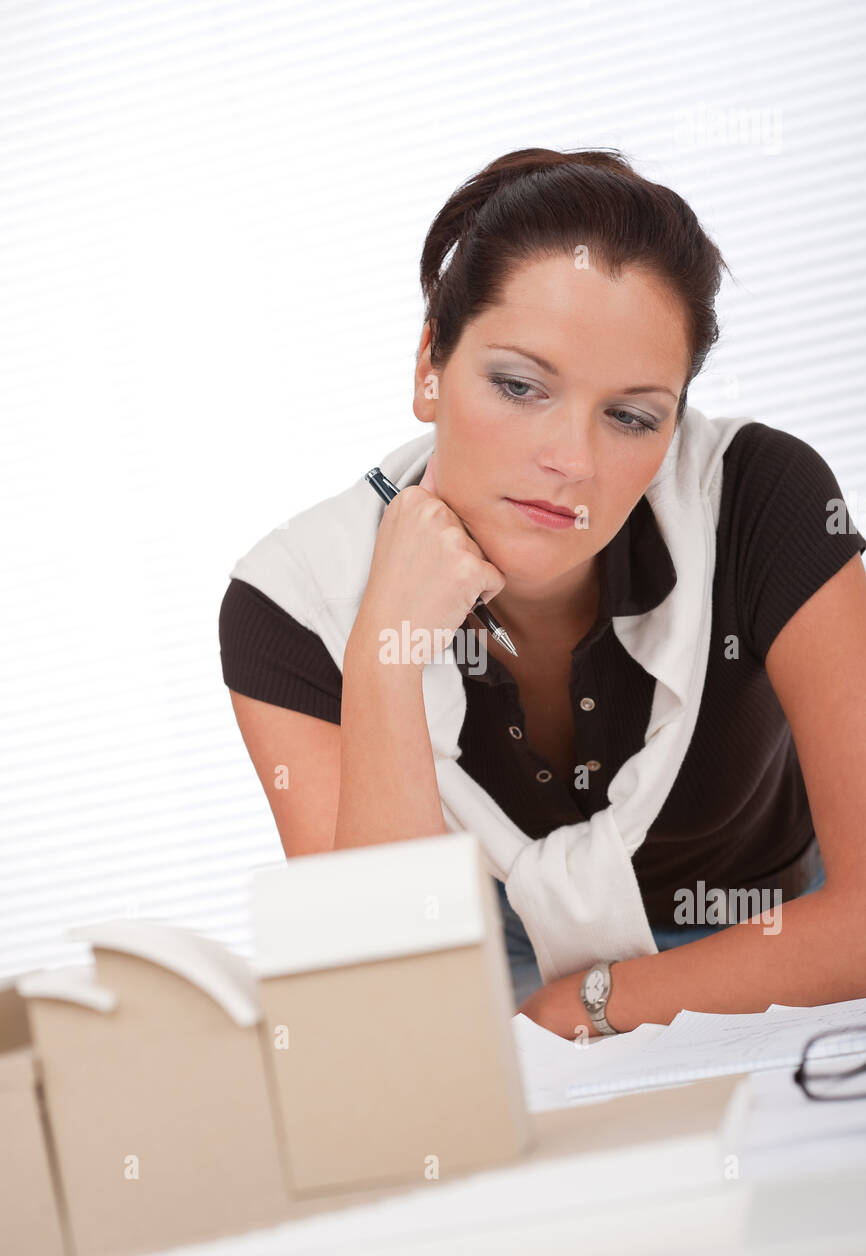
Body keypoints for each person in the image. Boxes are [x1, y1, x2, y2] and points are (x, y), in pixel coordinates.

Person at [219, 146, 866, 1033]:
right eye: (520, 385)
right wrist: (385, 656)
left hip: (782, 957)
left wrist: (598, 1003)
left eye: (631, 416)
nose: (571, 461)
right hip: (491, 994)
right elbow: (379, 1010)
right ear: (429, 369)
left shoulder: (760, 498)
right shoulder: (293, 603)